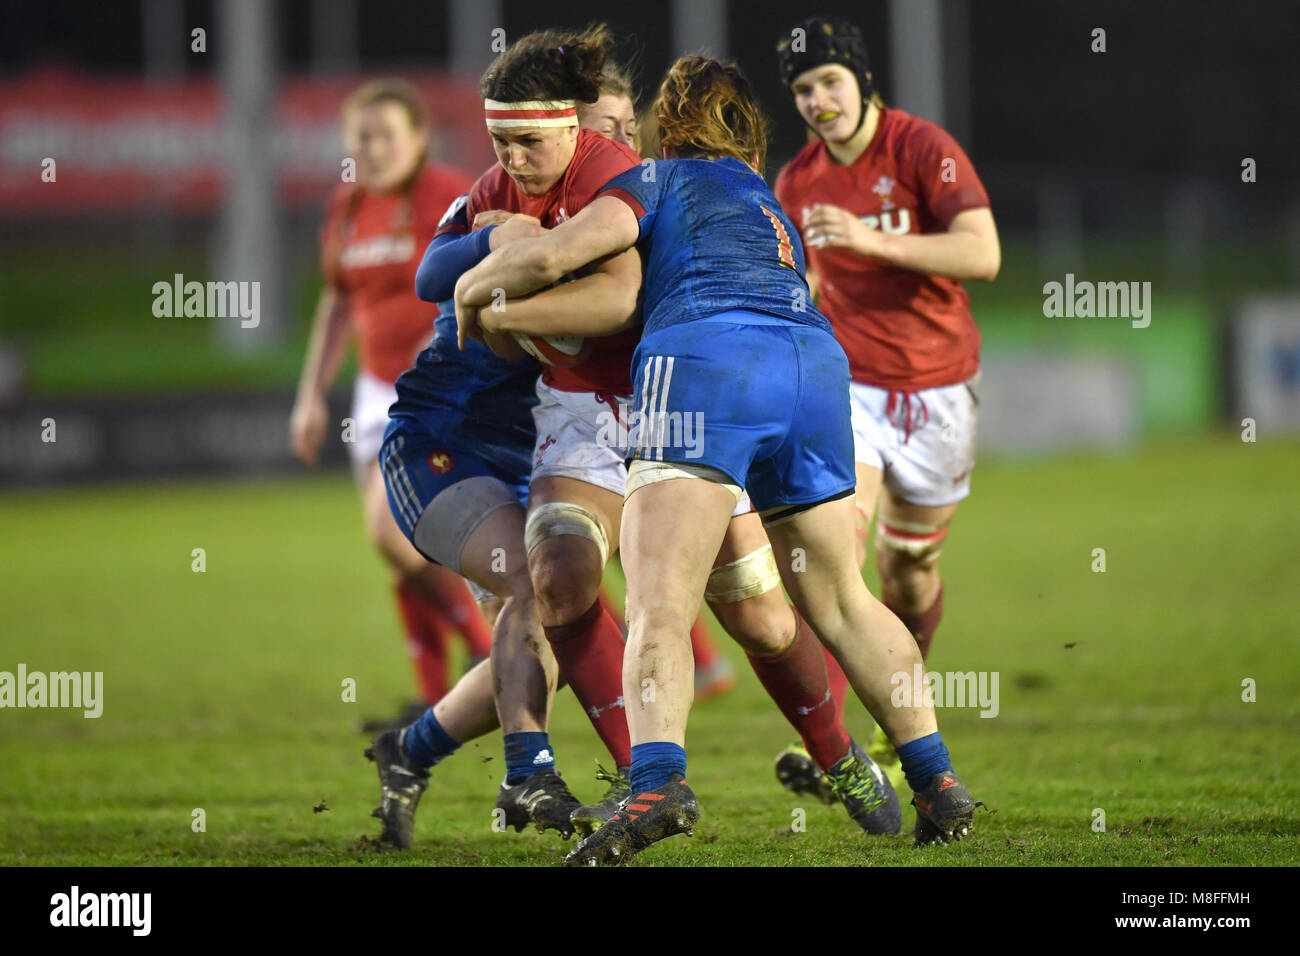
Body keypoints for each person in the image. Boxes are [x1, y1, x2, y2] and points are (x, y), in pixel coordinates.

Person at [454, 54, 979, 865]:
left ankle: (658, 785)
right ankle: (939, 782)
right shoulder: (768, 198)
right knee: (841, 599)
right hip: (812, 368)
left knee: (662, 605)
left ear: (669, 123)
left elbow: (559, 256)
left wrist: (478, 288)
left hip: (703, 364)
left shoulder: (656, 180)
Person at [770, 16, 1001, 791]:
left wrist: (872, 240)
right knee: (832, 564)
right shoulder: (796, 181)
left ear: (862, 81)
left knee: (908, 573)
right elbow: (802, 283)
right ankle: (843, 751)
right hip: (852, 393)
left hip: (939, 392)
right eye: (803, 89)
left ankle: (894, 712)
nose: (817, 99)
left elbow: (983, 252)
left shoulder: (920, 147)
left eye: (829, 81)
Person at [290, 79, 492, 723]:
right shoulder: (348, 208)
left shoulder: (447, 196)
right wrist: (310, 396)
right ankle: (434, 696)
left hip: (433, 390)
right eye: (361, 138)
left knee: (394, 534)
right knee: (398, 555)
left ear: (419, 139)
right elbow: (337, 300)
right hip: (373, 390)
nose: (372, 149)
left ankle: (490, 654)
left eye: (385, 136)